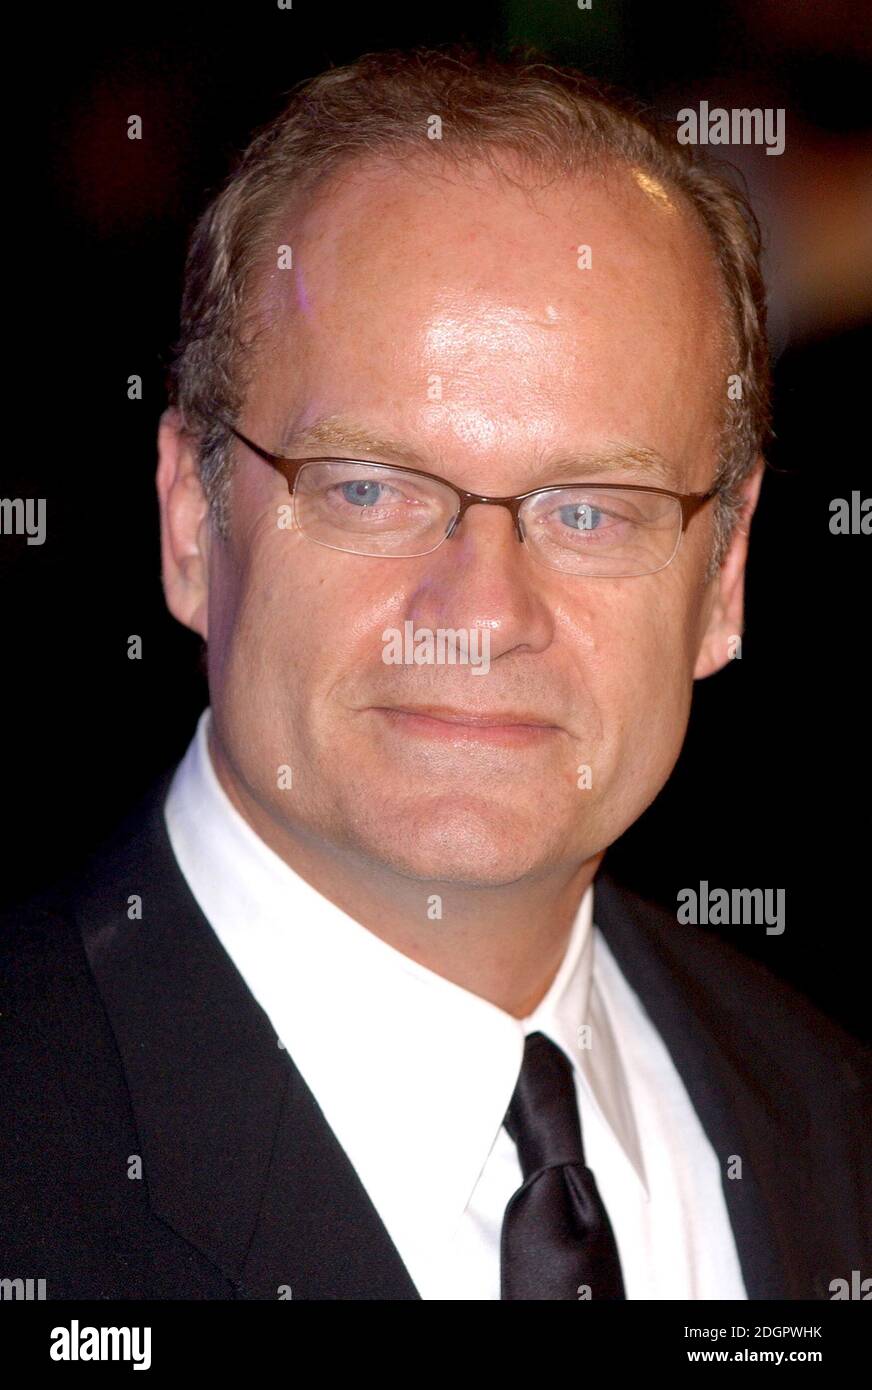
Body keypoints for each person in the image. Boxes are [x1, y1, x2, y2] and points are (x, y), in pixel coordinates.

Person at [2, 47, 868, 1302]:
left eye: (591, 510)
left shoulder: (829, 1121)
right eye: (370, 489)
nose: (478, 613)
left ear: (722, 577)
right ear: (193, 524)